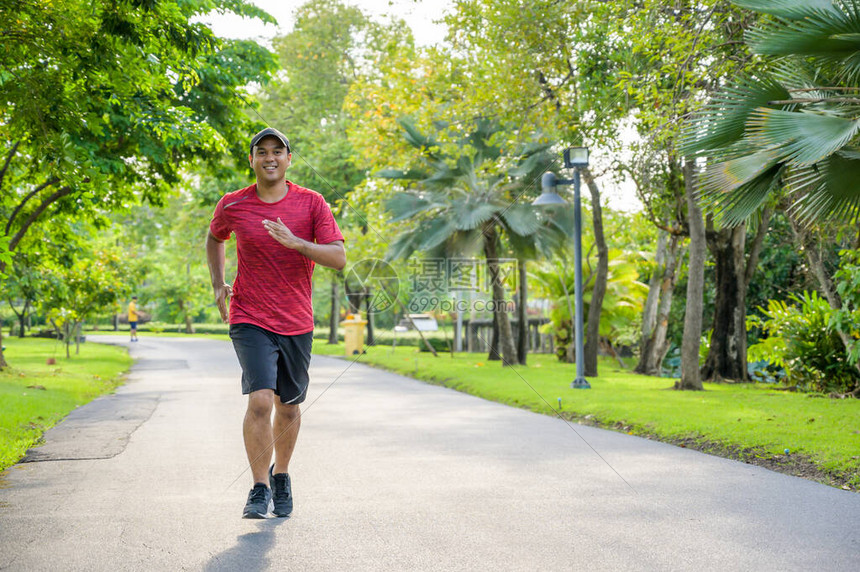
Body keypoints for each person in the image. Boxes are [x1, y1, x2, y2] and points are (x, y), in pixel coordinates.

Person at [206, 127, 346, 519]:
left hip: (296, 320)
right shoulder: (233, 205)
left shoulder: (312, 204)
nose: (270, 157)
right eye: (261, 151)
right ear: (251, 160)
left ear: (288, 159)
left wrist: (297, 243)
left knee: (288, 406)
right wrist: (219, 284)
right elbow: (215, 238)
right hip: (249, 315)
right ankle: (258, 487)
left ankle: (280, 474)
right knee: (261, 400)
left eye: (277, 151)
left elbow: (338, 258)